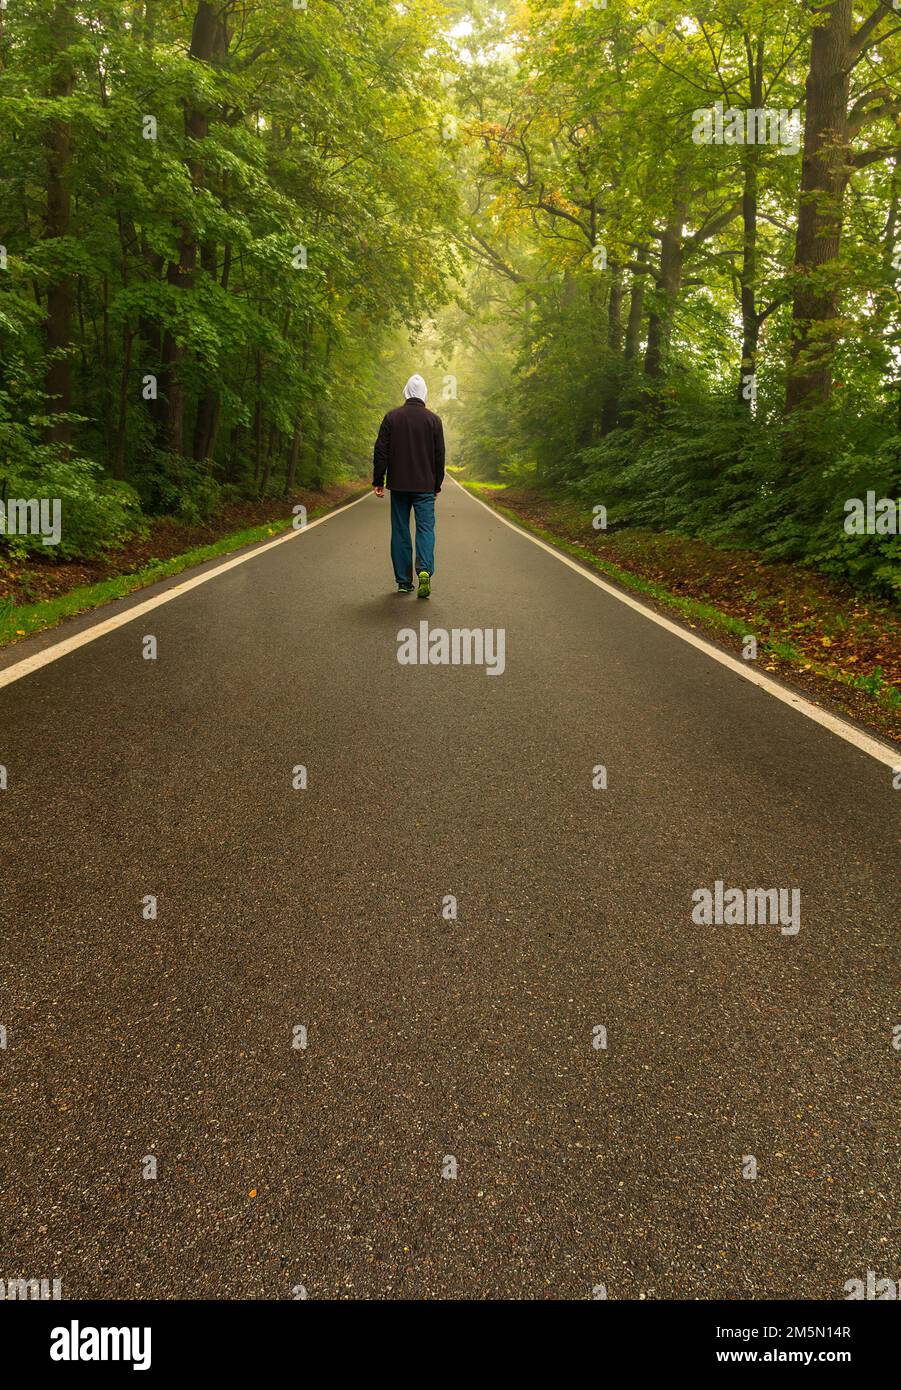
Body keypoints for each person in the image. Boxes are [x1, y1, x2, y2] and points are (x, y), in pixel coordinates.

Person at [372, 373, 445, 597]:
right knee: (425, 528)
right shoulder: (433, 420)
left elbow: (381, 450)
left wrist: (379, 480)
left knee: (401, 530)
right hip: (424, 487)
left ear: (406, 391)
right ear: (424, 393)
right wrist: (437, 485)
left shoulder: (392, 417)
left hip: (399, 485)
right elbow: (439, 455)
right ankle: (424, 570)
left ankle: (404, 581)